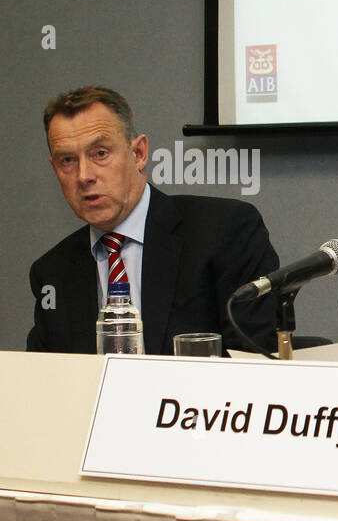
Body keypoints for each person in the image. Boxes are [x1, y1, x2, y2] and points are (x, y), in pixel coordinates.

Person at [28, 86, 279, 355]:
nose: (83, 175)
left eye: (100, 154)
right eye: (67, 160)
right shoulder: (53, 271)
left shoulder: (225, 232)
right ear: (55, 170)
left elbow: (252, 361)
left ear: (138, 154)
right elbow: (46, 377)